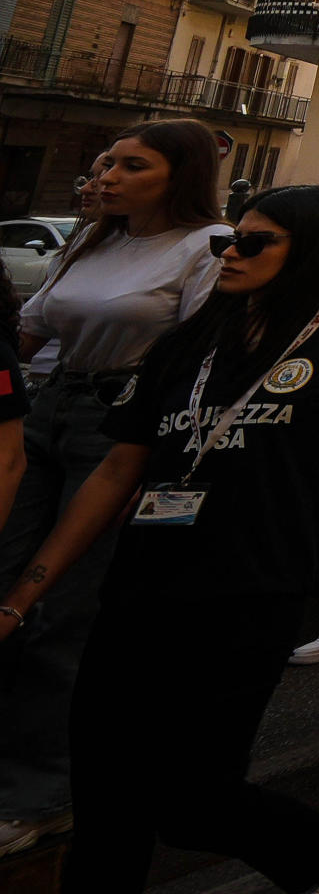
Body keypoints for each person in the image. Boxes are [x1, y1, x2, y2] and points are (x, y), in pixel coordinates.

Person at [1, 184, 319, 894]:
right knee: (108, 795)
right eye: (227, 242)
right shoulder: (187, 341)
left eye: (254, 243)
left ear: (312, 251)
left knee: (194, 798)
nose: (232, 253)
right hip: (141, 587)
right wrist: (27, 588)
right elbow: (116, 471)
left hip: (252, 590)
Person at [0, 120, 228, 855]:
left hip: (122, 427)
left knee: (65, 611)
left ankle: (40, 795)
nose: (109, 175)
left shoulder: (207, 246)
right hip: (44, 411)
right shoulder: (94, 240)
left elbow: (201, 358)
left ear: (178, 176)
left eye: (133, 165)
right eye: (109, 162)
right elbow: (30, 332)